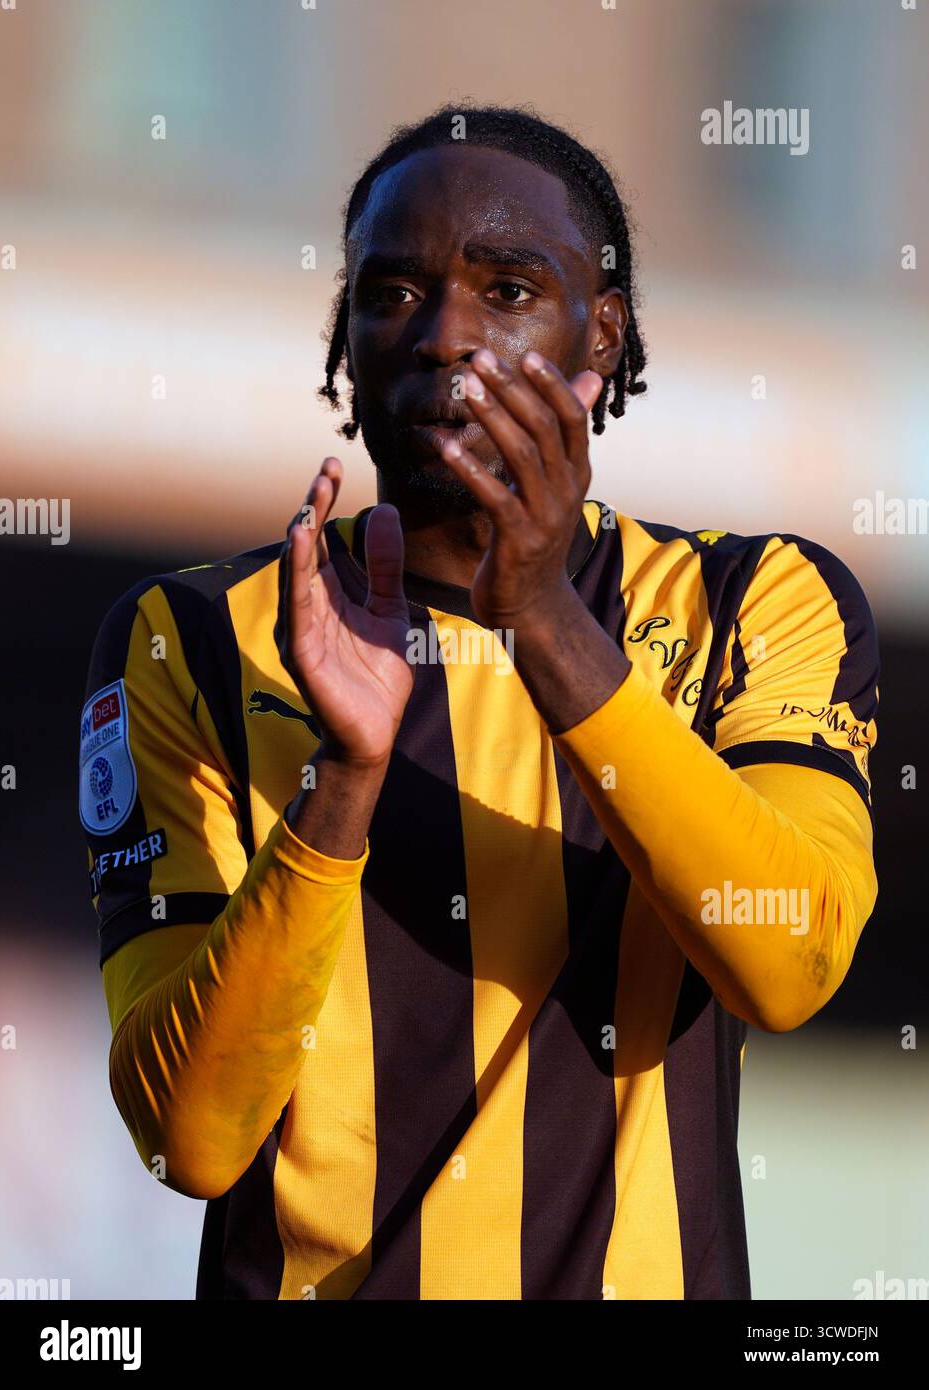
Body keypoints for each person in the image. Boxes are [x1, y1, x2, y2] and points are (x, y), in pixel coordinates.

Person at [79, 103, 878, 1300]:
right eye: (393, 291)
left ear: (598, 335)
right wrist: (340, 785)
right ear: (345, 339)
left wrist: (548, 622)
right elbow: (190, 1139)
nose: (447, 335)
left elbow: (788, 963)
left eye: (508, 291)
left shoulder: (753, 600)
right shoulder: (192, 638)